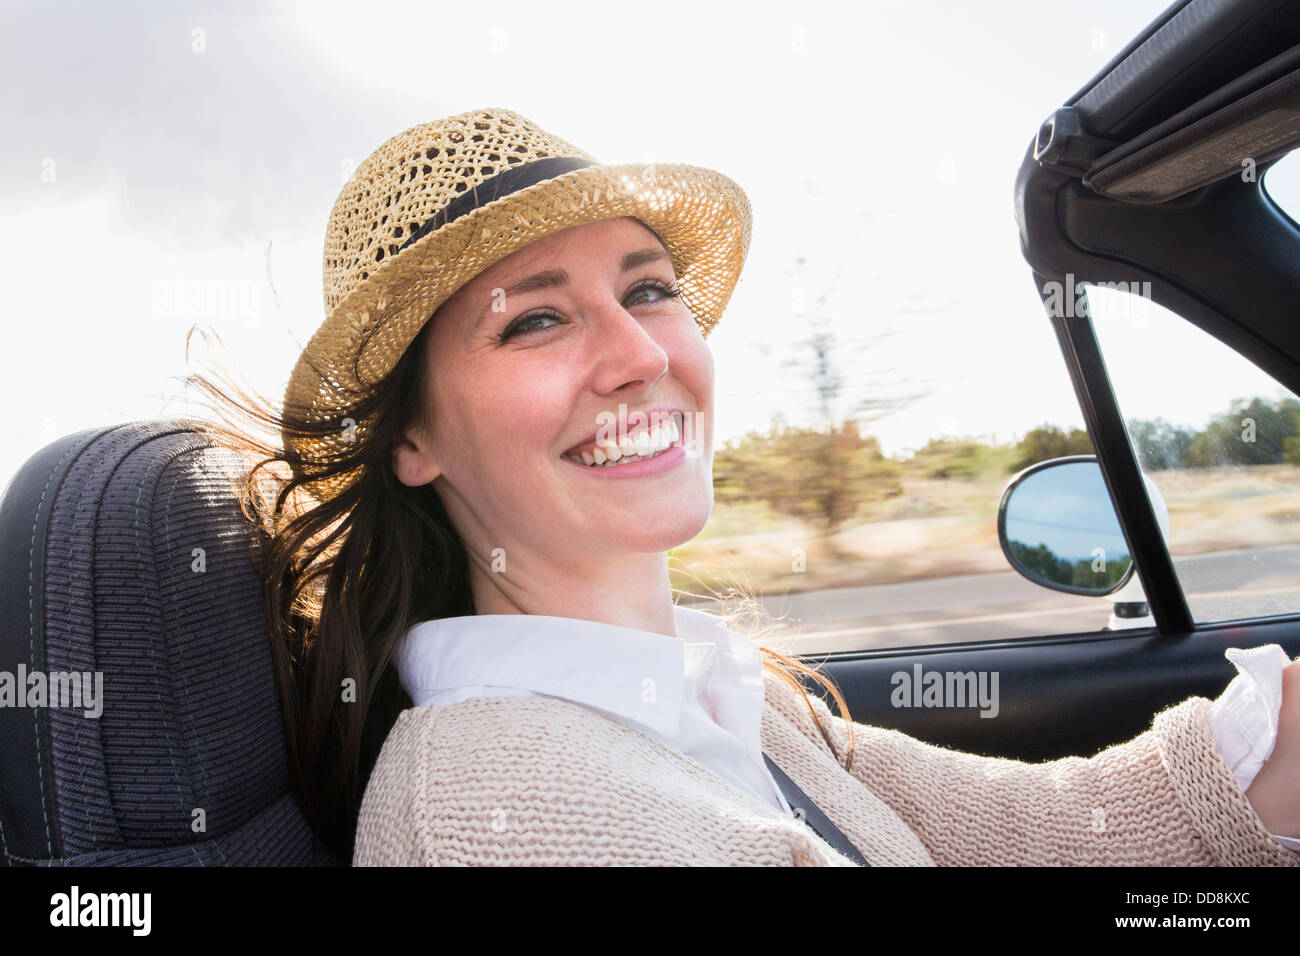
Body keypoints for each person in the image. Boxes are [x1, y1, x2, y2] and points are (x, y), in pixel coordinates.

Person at [190, 107, 1300, 866]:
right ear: (413, 440)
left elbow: (1052, 828)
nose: (638, 352)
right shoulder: (496, 811)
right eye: (535, 317)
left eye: (650, 288)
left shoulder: (733, 691)